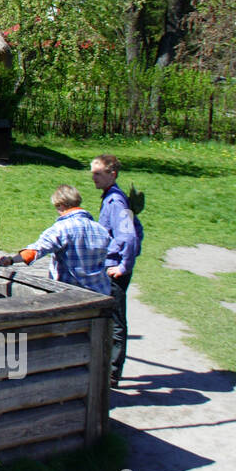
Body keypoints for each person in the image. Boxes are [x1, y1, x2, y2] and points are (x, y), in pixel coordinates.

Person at [91, 154, 142, 386]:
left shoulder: (116, 202)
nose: (94, 178)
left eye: (98, 173)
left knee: (116, 319)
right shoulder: (111, 197)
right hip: (109, 264)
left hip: (114, 268)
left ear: (112, 174)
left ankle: (112, 373)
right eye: (92, 173)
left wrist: (122, 267)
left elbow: (128, 236)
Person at [5, 185, 111, 296]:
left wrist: (11, 260)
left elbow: (34, 251)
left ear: (60, 205)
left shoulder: (61, 228)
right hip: (100, 293)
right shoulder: (101, 230)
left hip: (70, 294)